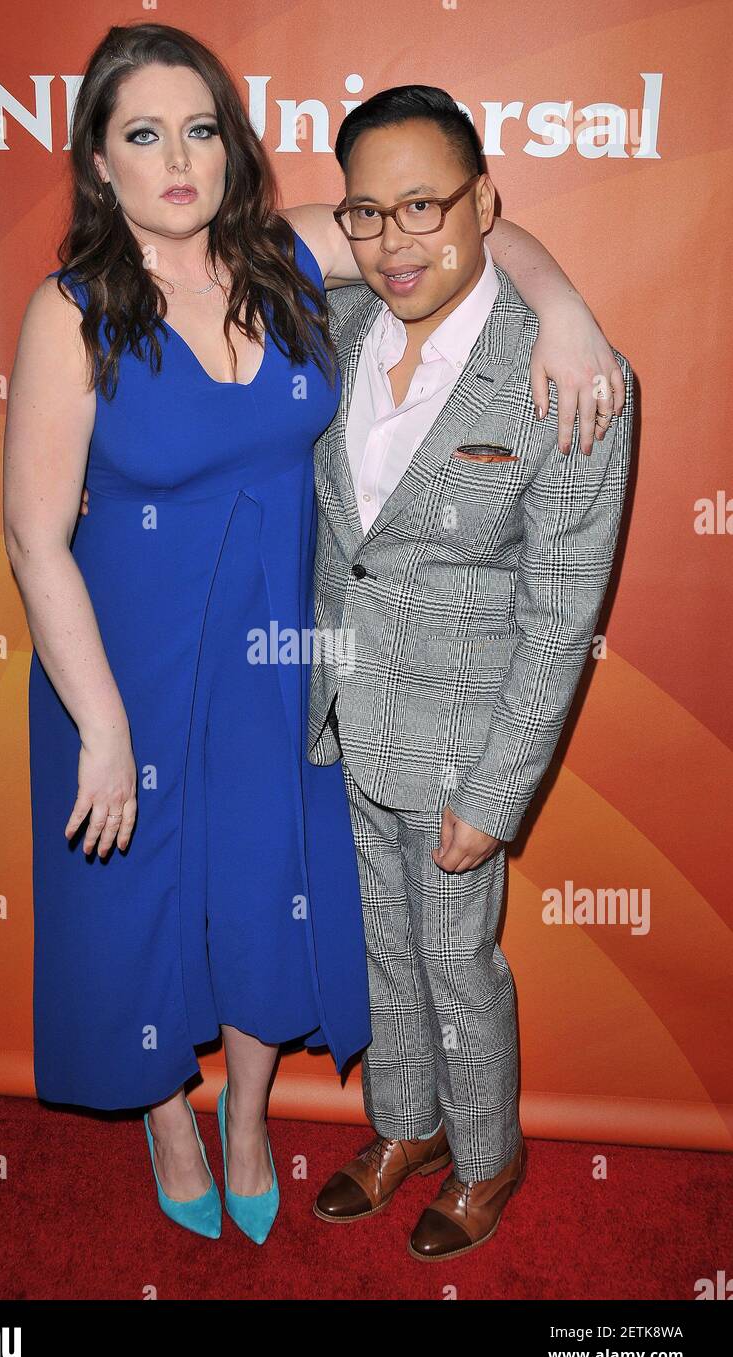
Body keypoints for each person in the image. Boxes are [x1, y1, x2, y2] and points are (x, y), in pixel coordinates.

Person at [5, 20, 625, 1248]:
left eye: (198, 129)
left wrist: (562, 311)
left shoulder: (293, 257)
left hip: (283, 661)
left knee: (256, 895)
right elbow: (33, 539)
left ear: (229, 147)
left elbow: (469, 230)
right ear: (98, 163)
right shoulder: (69, 313)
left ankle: (244, 1109)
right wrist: (103, 730)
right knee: (131, 910)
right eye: (143, 133)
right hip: (119, 667)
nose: (176, 158)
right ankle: (167, 1113)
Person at [308, 85, 633, 1260]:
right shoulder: (338, 322)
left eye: (423, 206)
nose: (394, 241)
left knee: (455, 960)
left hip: (460, 743)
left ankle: (486, 1152)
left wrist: (495, 795)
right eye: (365, 213)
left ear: (485, 201)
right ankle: (404, 1128)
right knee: (380, 947)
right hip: (339, 716)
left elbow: (560, 613)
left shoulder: (571, 374)